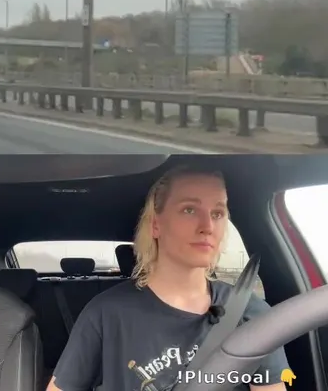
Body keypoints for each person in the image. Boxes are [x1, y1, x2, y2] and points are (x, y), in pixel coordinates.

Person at [46, 166, 289, 391]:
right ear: (155, 225)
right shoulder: (105, 314)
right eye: (189, 210)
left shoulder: (251, 314)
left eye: (217, 213)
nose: (207, 226)